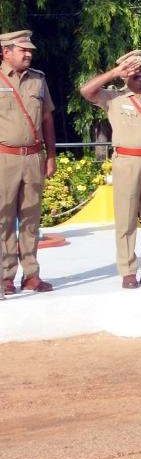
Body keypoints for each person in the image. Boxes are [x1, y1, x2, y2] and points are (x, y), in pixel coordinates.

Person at [79, 50, 141, 289]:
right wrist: (113, 73)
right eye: (133, 69)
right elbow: (85, 91)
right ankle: (128, 271)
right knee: (126, 218)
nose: (139, 72)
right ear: (124, 73)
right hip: (126, 162)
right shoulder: (112, 97)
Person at [0, 29, 56, 294]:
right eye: (23, 50)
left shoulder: (38, 81)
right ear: (6, 52)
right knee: (3, 218)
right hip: (4, 158)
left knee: (31, 216)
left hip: (34, 157)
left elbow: (47, 120)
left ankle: (31, 275)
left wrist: (52, 155)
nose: (28, 54)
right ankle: (6, 275)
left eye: (30, 50)